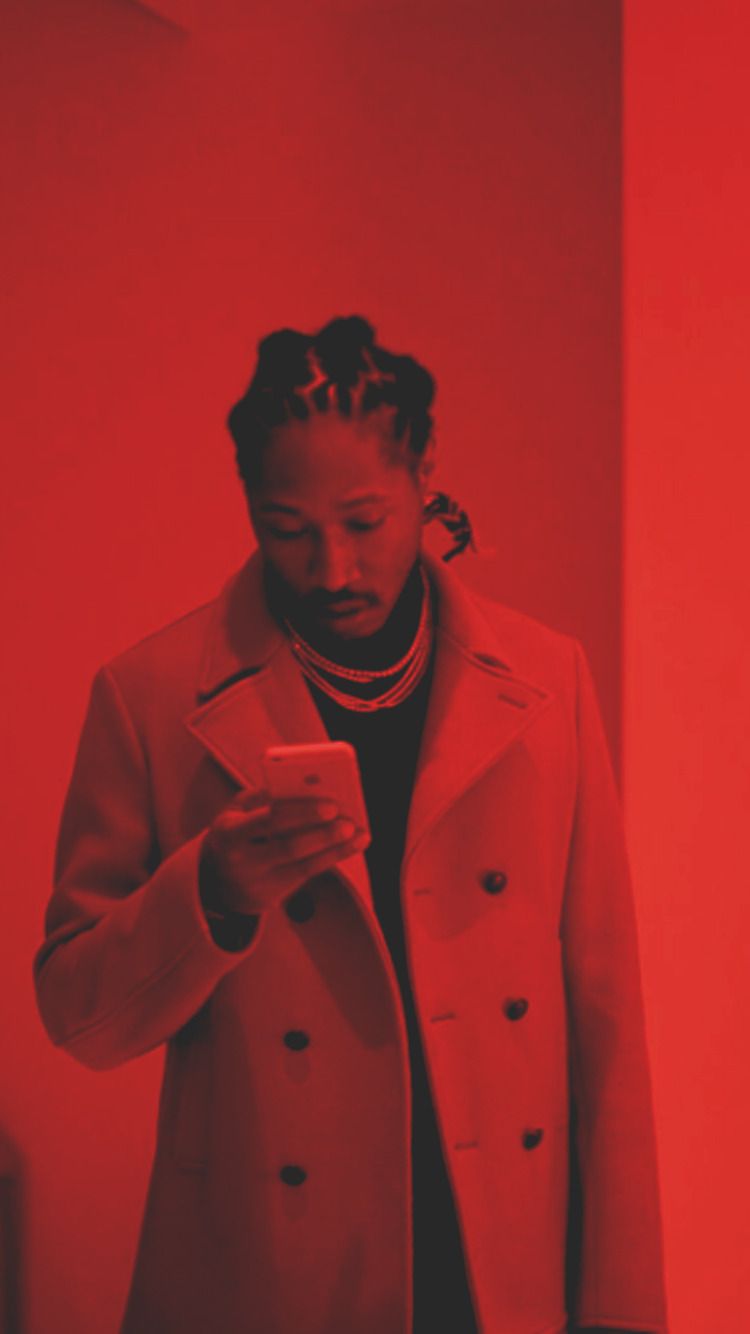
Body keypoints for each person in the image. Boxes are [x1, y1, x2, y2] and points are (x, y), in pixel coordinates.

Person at [33, 315, 669, 1334]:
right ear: (247, 501)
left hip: (495, 1261)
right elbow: (78, 1012)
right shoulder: (150, 696)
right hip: (269, 1275)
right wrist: (213, 893)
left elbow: (608, 1022)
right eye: (288, 528)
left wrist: (624, 1310)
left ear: (425, 475)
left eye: (365, 522)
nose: (332, 568)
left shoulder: (547, 682)